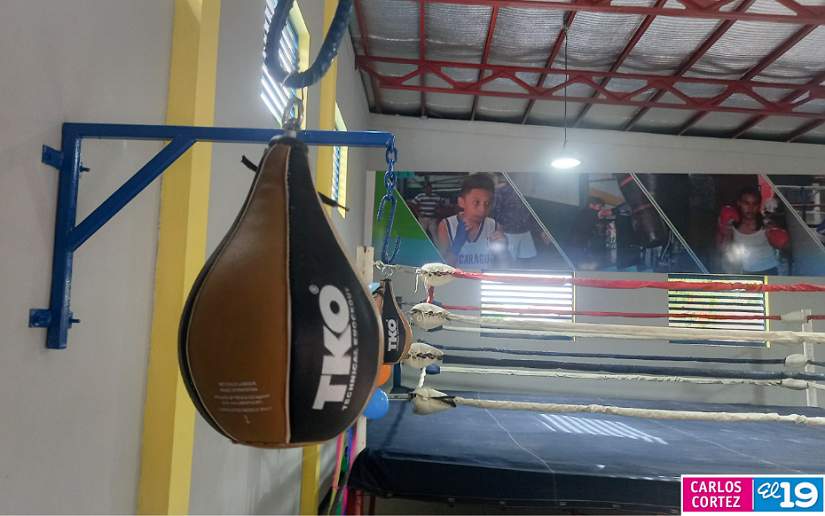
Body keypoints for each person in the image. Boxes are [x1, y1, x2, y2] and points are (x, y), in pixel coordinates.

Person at [436, 173, 508, 270]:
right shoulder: (446, 226)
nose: (482, 209)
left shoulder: (494, 226)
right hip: (457, 283)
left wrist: (503, 251)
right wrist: (456, 246)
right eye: (476, 203)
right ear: (461, 202)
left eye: (487, 203)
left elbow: (504, 268)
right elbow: (441, 270)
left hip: (484, 282)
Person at [717, 186, 790, 275]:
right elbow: (723, 250)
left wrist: (773, 234)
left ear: (759, 205)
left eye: (754, 204)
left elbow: (785, 247)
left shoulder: (766, 224)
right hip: (747, 271)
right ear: (739, 203)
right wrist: (726, 231)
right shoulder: (732, 224)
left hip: (770, 270)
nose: (750, 208)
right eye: (746, 203)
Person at [492, 175, 547, 265]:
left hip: (520, 230)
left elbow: (526, 212)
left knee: (521, 260)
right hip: (510, 231)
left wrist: (539, 231)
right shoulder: (503, 192)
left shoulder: (515, 190)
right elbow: (496, 212)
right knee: (513, 260)